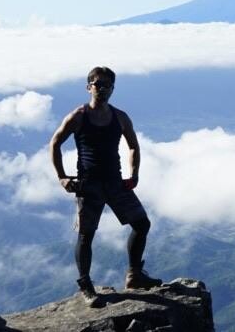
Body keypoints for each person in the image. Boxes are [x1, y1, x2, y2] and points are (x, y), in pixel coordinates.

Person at [50, 66, 161, 305]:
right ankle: (86, 285)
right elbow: (55, 143)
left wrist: (134, 174)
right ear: (88, 86)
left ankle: (134, 275)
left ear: (113, 89)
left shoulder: (120, 117)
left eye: (107, 85)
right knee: (85, 235)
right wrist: (62, 177)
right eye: (98, 84)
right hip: (88, 186)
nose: (103, 89)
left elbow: (133, 145)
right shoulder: (78, 116)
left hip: (115, 181)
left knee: (142, 224)